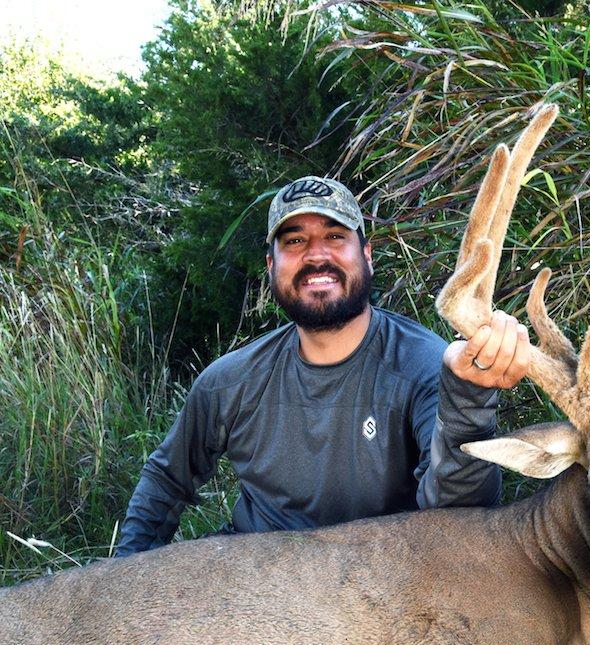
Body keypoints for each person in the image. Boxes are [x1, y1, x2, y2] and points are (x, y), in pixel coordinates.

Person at [115, 176, 531, 556]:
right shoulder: (230, 381)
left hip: (375, 587)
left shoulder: (422, 366)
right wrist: (124, 579)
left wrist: (469, 400)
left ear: (367, 256)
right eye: (294, 241)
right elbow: (167, 480)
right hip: (248, 582)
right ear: (271, 267)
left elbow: (458, 517)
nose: (316, 255)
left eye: (335, 236)